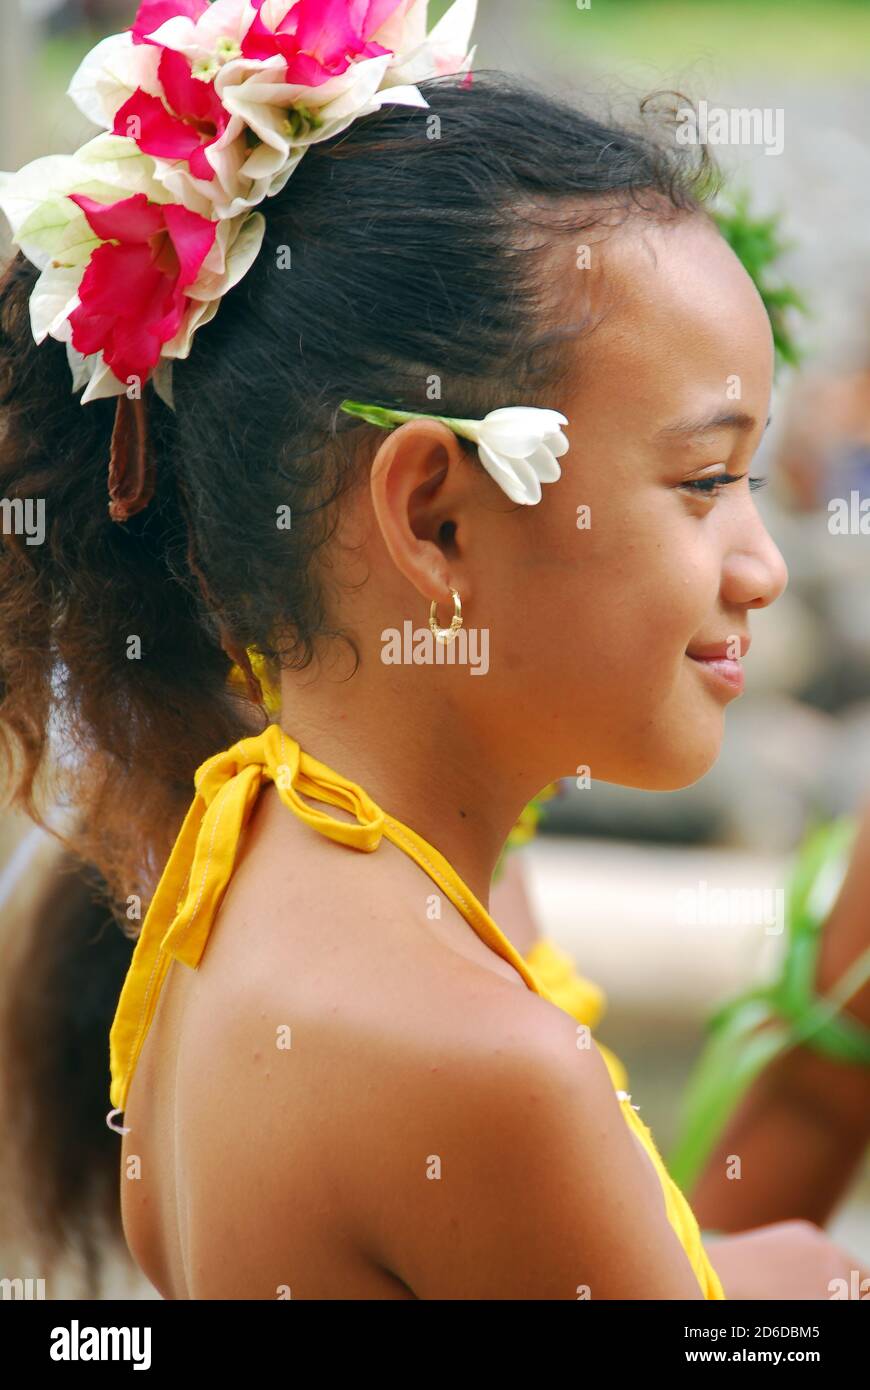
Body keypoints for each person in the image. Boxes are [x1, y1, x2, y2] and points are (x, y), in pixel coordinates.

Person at [1, 0, 867, 1299]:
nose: (767, 564)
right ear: (434, 516)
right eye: (701, 480)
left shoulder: (232, 868)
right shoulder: (482, 1065)